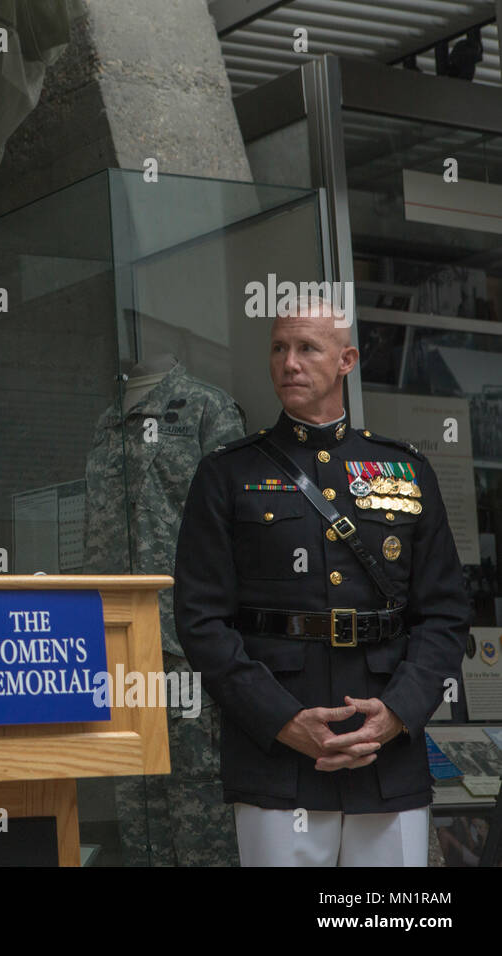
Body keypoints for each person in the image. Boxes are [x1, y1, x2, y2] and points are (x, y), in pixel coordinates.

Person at [174, 295, 470, 866]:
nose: (289, 363)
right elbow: (201, 619)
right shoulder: (228, 473)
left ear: (346, 360)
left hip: (385, 751)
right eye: (279, 348)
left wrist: (400, 711)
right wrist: (281, 720)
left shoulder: (402, 470)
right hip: (278, 757)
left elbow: (445, 613)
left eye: (307, 348)